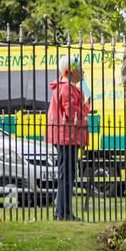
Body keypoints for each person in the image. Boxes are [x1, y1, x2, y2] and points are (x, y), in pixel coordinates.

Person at [46, 55, 91, 220]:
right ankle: (63, 213)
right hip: (67, 137)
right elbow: (72, 115)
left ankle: (62, 211)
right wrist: (86, 107)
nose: (82, 72)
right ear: (72, 71)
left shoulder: (65, 88)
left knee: (67, 175)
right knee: (67, 175)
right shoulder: (67, 89)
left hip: (66, 136)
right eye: (79, 69)